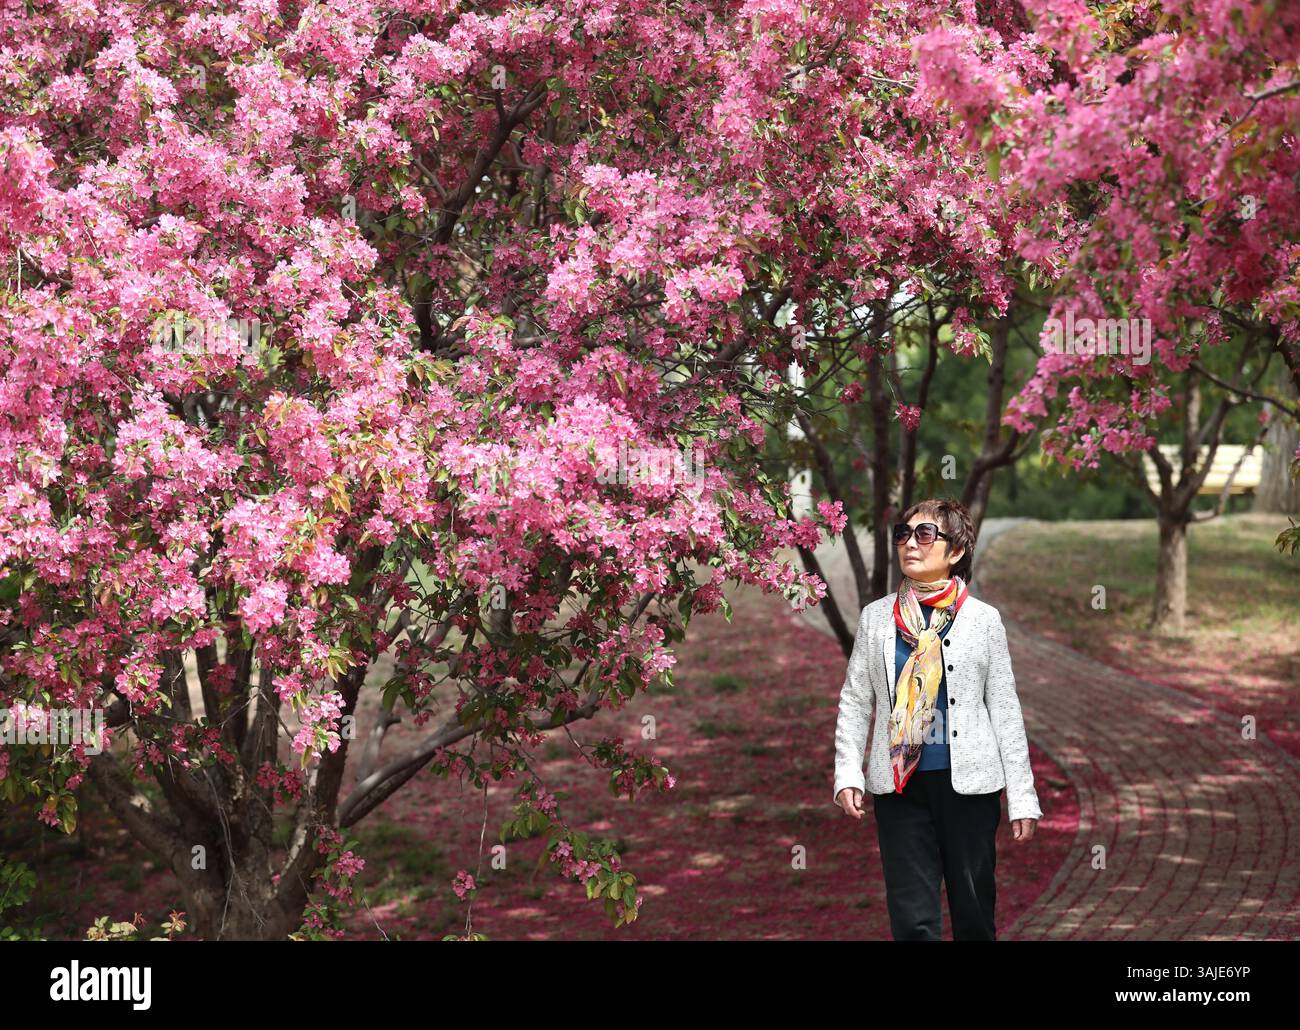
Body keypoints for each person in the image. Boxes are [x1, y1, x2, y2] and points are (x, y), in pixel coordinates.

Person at [832, 497, 1042, 940]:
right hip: (899, 787)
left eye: (925, 534)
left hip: (969, 788)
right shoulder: (876, 619)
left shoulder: (983, 620)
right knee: (912, 922)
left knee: (973, 917)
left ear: (956, 551)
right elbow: (855, 700)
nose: (910, 543)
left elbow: (1004, 708)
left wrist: (1022, 796)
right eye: (903, 534)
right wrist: (847, 772)